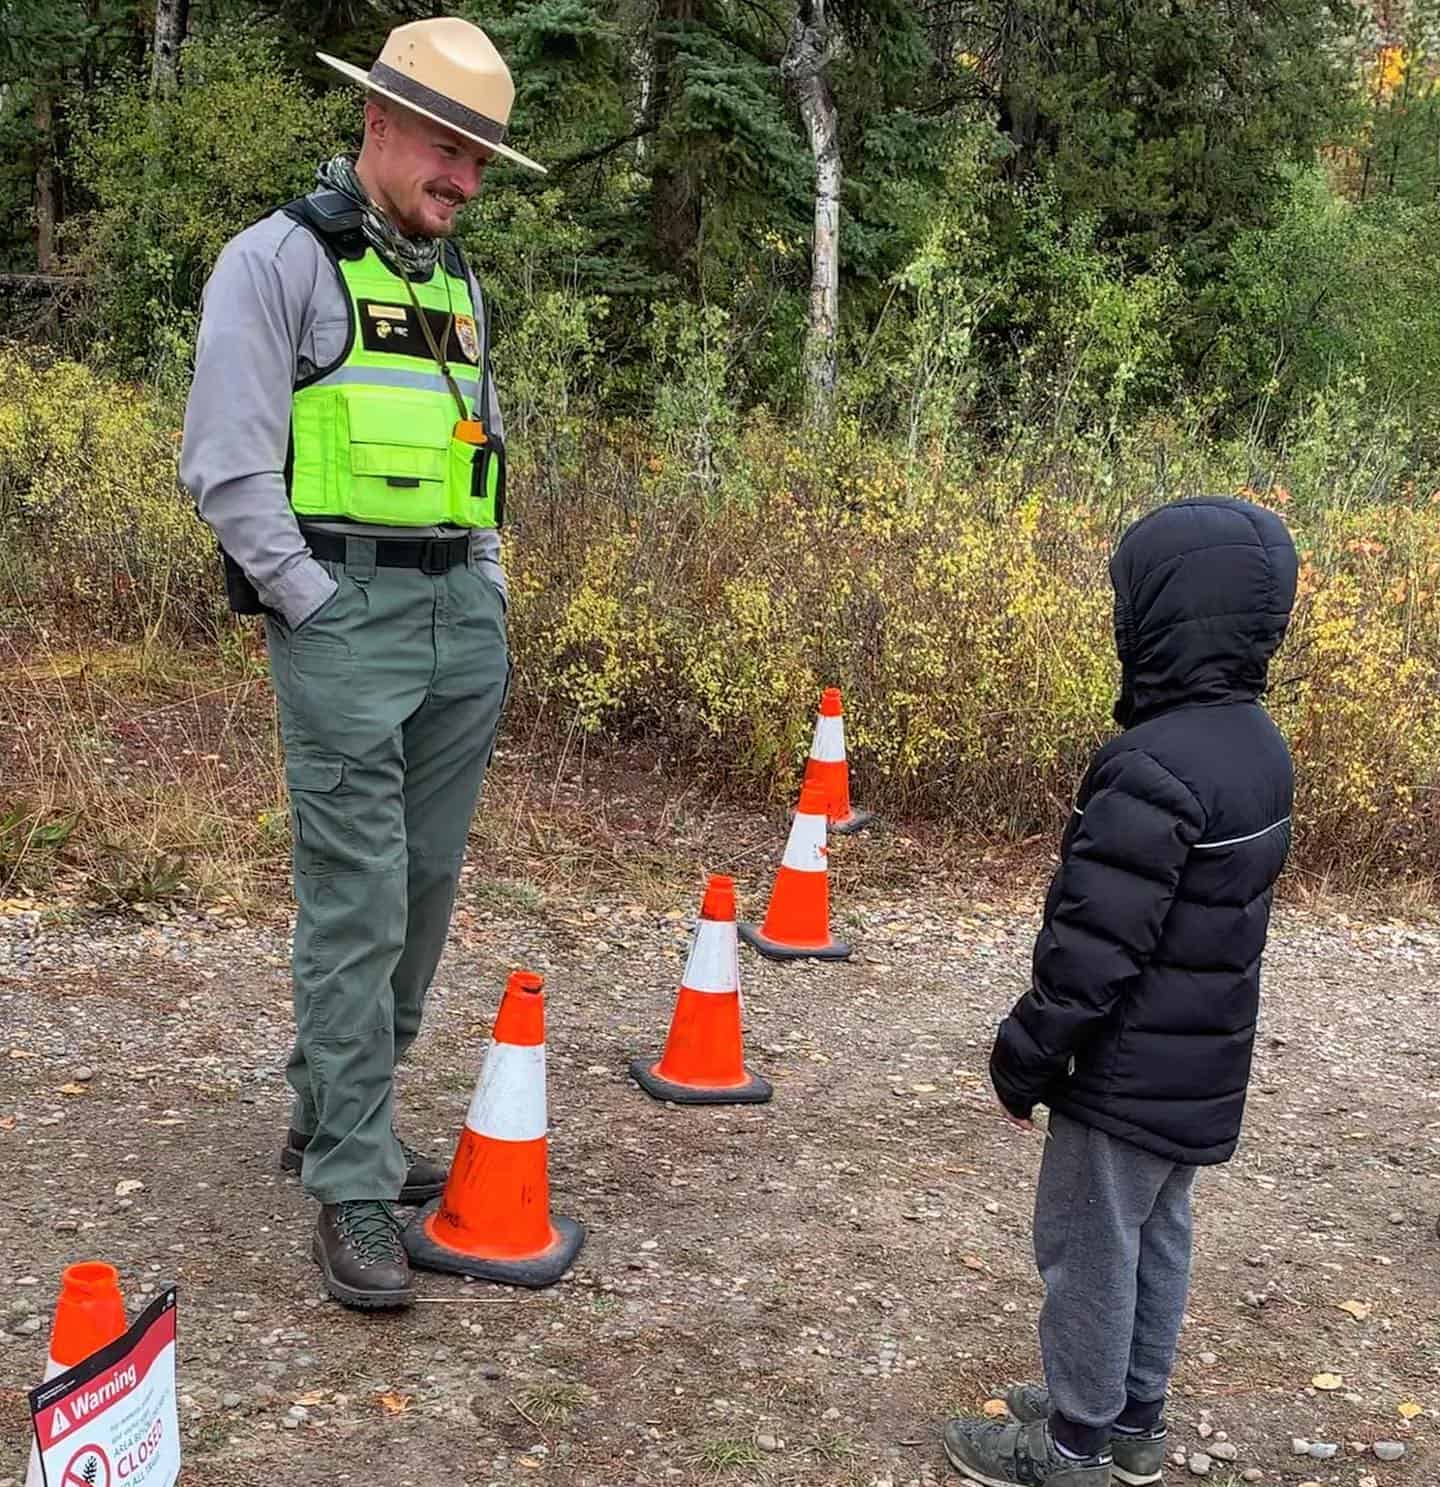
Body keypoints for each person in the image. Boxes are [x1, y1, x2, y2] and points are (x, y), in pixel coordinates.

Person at [180, 18, 544, 1311]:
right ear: (381, 122)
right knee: (358, 896)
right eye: (450, 148)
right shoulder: (274, 261)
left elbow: (479, 451)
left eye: (482, 159)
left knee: (426, 888)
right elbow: (225, 461)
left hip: (458, 621)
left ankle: (338, 1108)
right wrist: (311, 602)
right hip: (347, 619)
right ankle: (349, 1175)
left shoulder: (458, 285)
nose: (466, 179)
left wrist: (492, 584)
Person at [944, 498, 1298, 1486]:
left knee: (1087, 1249)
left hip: (1124, 1074)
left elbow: (1092, 949)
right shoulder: (1258, 747)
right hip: (1198, 1070)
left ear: (1165, 617)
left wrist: (1024, 1055)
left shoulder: (1150, 763)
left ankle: (1071, 1446)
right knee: (1158, 1233)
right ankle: (1131, 1418)